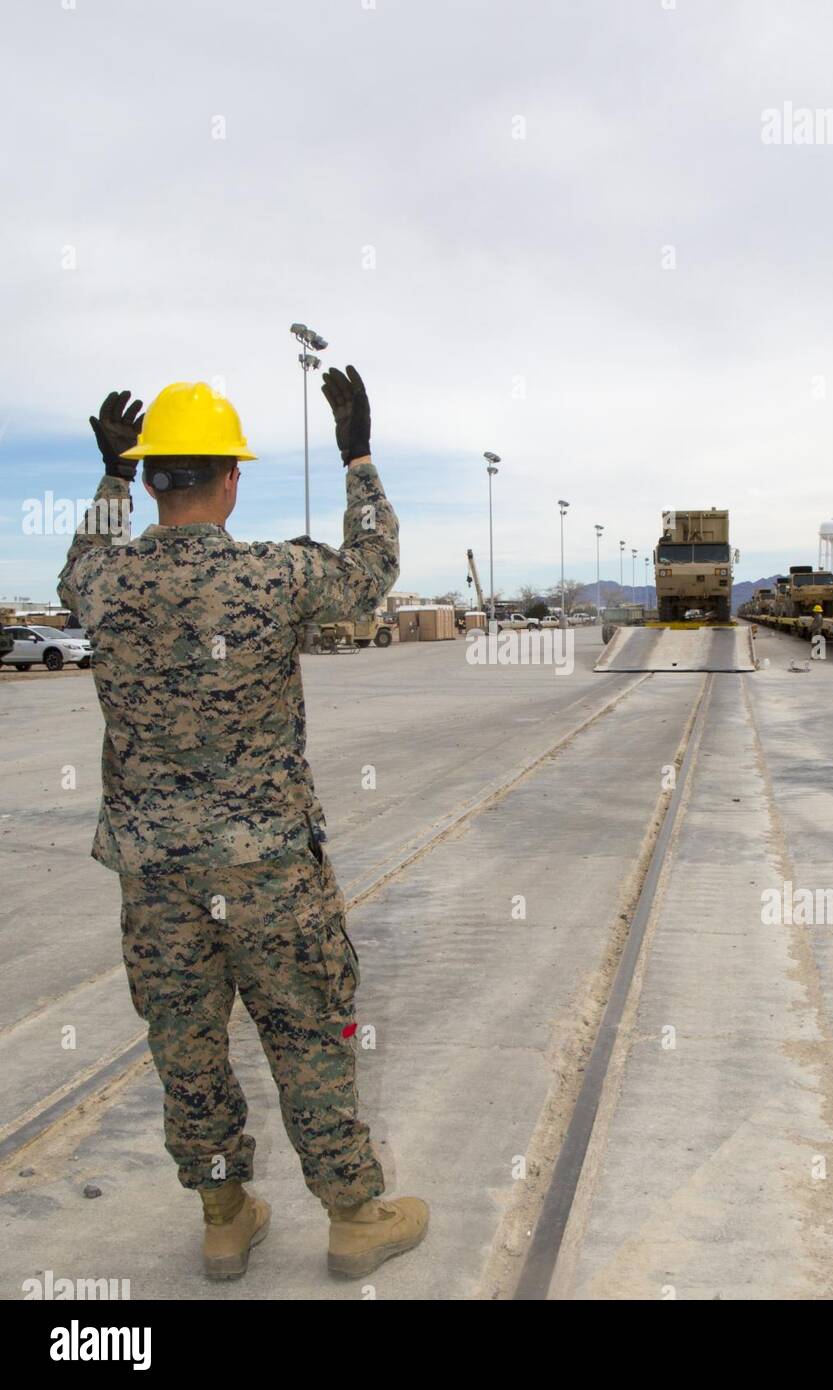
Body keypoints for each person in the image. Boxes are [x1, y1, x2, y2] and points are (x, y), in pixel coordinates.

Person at [58, 369, 428, 1281]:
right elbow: (370, 576)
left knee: (185, 1044)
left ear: (150, 481)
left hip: (155, 873)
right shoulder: (274, 573)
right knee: (310, 1032)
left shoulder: (105, 582)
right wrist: (359, 458)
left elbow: (72, 576)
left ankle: (224, 1219)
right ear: (231, 481)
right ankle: (352, 1218)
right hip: (267, 867)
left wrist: (106, 483)